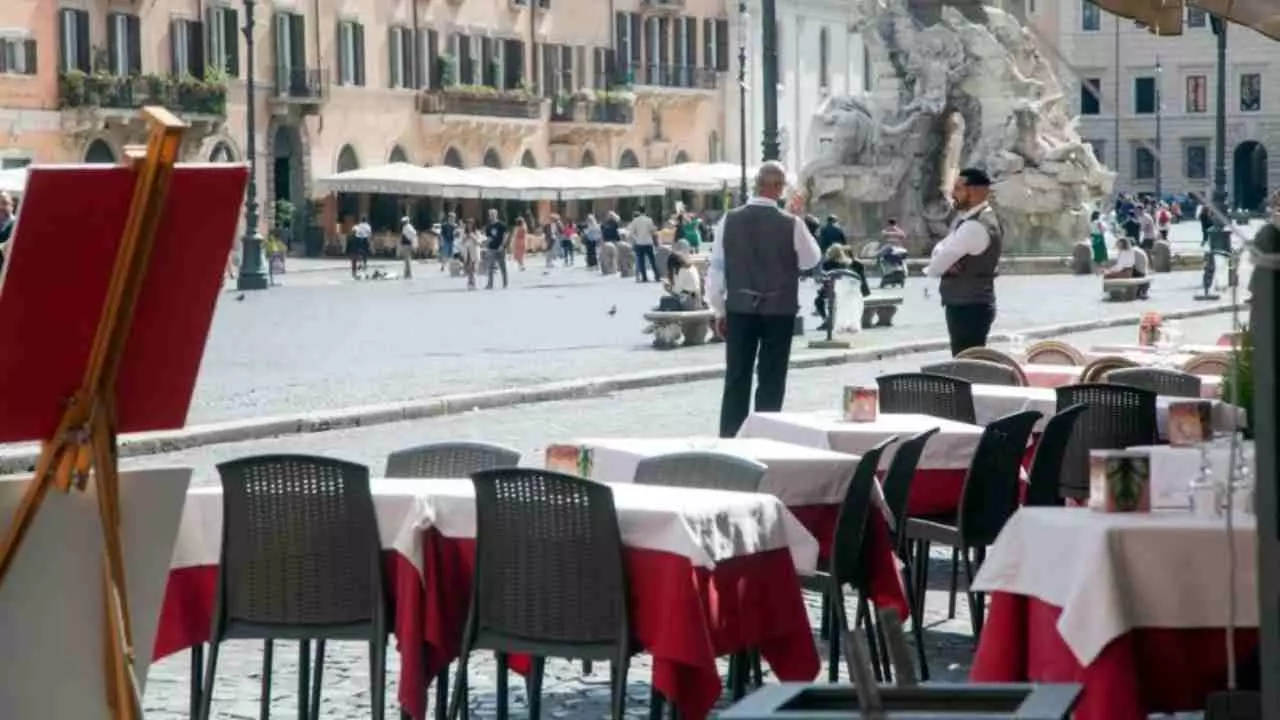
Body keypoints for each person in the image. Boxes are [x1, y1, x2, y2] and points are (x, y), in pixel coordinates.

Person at [707, 161, 822, 438]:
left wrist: (719, 310)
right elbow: (811, 260)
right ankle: (765, 437)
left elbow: (716, 269)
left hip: (740, 309)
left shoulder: (729, 219)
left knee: (737, 377)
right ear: (778, 187)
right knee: (771, 378)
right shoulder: (791, 223)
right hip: (778, 310)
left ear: (757, 184)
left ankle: (731, 437)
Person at [925, 167, 1003, 357]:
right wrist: (943, 255)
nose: (953, 194)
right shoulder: (978, 219)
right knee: (969, 362)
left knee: (965, 364)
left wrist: (943, 258)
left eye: (958, 189)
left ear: (976, 191)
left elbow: (935, 268)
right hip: (973, 302)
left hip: (967, 306)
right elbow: (940, 249)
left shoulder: (973, 227)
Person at [627, 207, 659, 282]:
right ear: (645, 211)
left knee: (641, 261)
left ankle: (644, 277)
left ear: (638, 211)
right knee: (652, 260)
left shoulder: (635, 221)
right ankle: (656, 276)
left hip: (639, 243)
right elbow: (653, 231)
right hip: (648, 242)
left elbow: (631, 233)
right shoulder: (649, 220)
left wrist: (637, 238)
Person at [483, 208, 509, 289]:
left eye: (493, 214)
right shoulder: (488, 226)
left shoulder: (501, 225)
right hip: (491, 248)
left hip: (500, 248)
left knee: (502, 266)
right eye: (490, 215)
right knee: (490, 267)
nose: (492, 216)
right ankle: (490, 284)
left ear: (496, 215)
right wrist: (485, 243)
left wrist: (502, 245)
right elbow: (489, 237)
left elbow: (505, 235)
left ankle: (505, 283)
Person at [459, 218, 481, 290]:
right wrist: (465, 238)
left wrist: (472, 237)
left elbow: (479, 242)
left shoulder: (477, 232)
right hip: (467, 251)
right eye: (468, 224)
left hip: (474, 252)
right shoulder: (463, 233)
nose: (469, 226)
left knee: (473, 268)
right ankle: (470, 282)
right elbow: (461, 242)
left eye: (471, 224)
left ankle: (472, 282)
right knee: (469, 268)